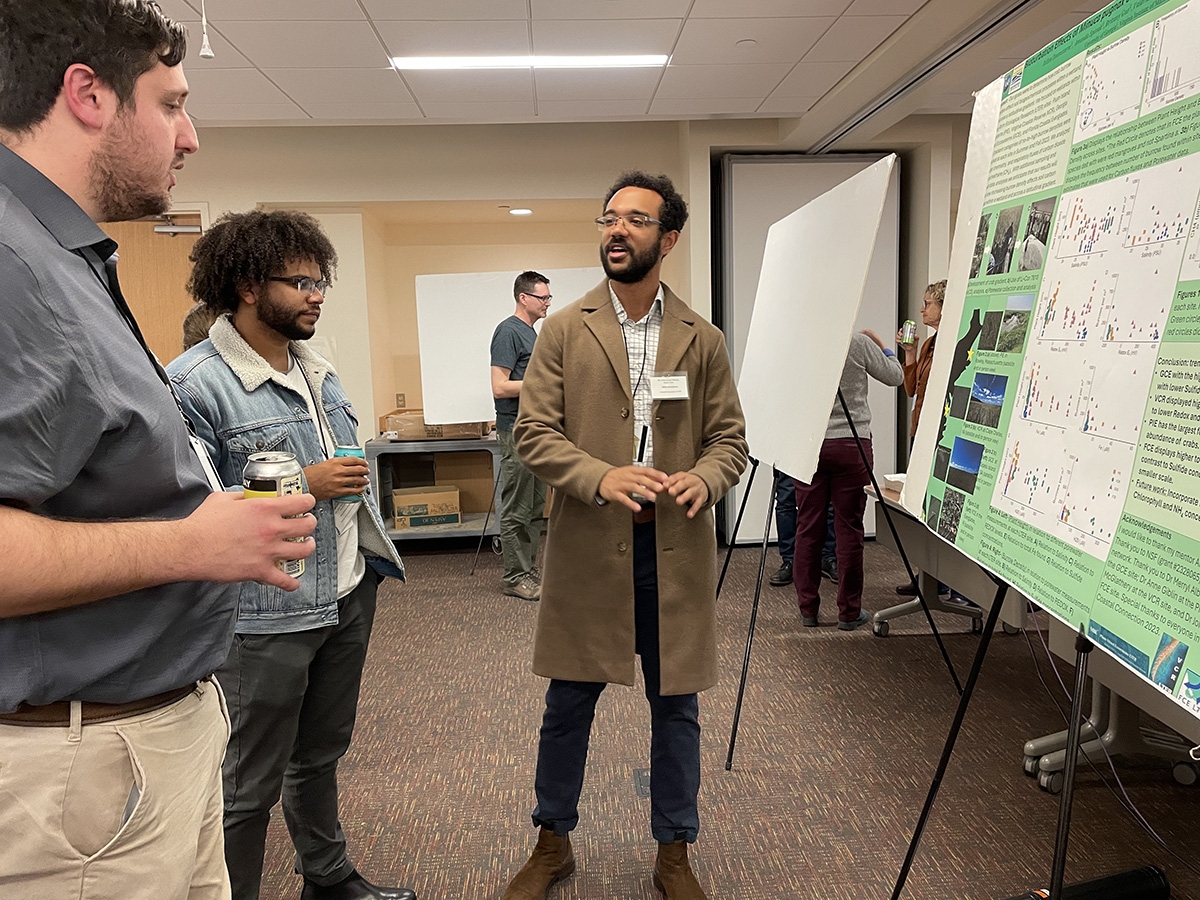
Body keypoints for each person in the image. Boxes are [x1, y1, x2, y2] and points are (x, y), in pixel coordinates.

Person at [0, 3, 316, 898]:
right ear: (87, 95)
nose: (191, 136)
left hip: (143, 741)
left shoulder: (62, 254)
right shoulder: (12, 266)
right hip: (81, 772)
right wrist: (194, 543)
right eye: (171, 104)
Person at [502, 172, 748, 900]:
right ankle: (553, 841)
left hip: (671, 554)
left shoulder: (701, 339)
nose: (617, 230)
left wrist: (705, 478)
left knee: (677, 708)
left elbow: (729, 441)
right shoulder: (564, 329)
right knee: (567, 703)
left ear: (667, 239)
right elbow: (534, 435)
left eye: (636, 220)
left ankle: (675, 850)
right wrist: (602, 476)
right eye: (609, 217)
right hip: (589, 548)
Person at [166, 210, 413, 900]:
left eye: (320, 281)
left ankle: (327, 879)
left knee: (319, 755)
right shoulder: (193, 385)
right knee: (247, 782)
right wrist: (307, 482)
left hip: (345, 589)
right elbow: (189, 516)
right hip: (266, 611)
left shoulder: (315, 366)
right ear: (247, 284)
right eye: (300, 281)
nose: (316, 295)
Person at [793, 329, 903, 630]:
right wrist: (884, 347)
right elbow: (896, 376)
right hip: (851, 444)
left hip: (809, 445)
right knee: (850, 529)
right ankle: (849, 612)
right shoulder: (857, 342)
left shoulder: (799, 340)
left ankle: (808, 610)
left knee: (808, 527)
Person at [491, 271, 551, 601]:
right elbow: (500, 387)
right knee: (517, 508)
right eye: (542, 297)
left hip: (536, 430)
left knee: (534, 506)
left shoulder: (531, 334)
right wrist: (546, 383)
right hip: (516, 429)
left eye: (548, 298)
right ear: (523, 298)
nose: (547, 303)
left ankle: (527, 568)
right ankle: (515, 576)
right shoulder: (508, 332)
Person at [895, 280, 949, 598]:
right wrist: (911, 352)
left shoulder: (955, 343)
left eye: (927, 303)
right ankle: (926, 577)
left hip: (940, 436)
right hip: (920, 432)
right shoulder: (929, 345)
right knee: (921, 508)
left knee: (938, 510)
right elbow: (911, 388)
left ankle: (945, 578)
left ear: (943, 306)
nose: (921, 309)